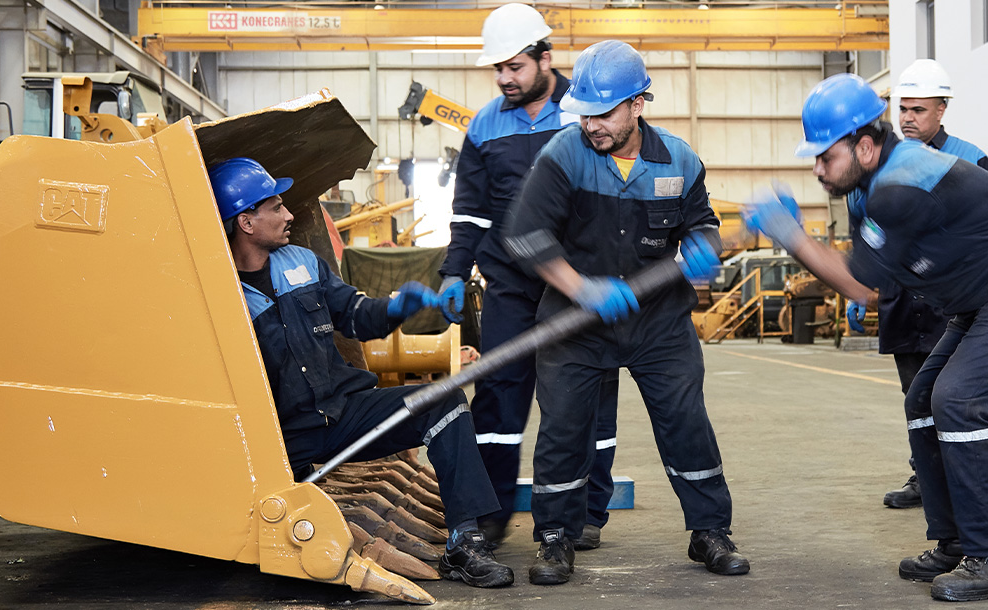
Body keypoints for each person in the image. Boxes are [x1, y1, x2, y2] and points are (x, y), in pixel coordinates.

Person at [745, 73, 988, 602]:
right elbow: (882, 274)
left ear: (864, 146)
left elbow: (864, 287)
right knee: (924, 399)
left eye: (824, 157)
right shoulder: (878, 184)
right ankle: (957, 543)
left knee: (963, 401)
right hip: (986, 291)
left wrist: (790, 235)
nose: (816, 170)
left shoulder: (898, 186)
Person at [502, 40, 748, 586]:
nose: (592, 126)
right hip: (575, 321)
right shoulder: (564, 155)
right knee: (565, 431)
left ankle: (709, 530)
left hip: (658, 322)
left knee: (686, 423)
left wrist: (704, 250)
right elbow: (523, 233)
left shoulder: (679, 160)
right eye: (585, 113)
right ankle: (555, 537)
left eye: (604, 113)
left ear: (638, 104)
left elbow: (700, 223)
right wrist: (580, 287)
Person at [209, 157, 514, 588]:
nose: (290, 214)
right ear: (246, 221)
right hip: (279, 436)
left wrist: (393, 308)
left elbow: (354, 316)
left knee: (442, 401)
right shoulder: (218, 290)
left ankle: (465, 542)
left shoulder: (301, 262)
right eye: (276, 207)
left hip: (342, 413)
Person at [438, 2, 620, 551]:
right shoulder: (486, 126)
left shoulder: (587, 113)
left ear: (545, 57)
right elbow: (469, 210)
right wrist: (453, 268)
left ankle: (587, 510)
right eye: (497, 69)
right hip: (511, 286)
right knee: (498, 395)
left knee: (587, 394)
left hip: (575, 282)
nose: (504, 79)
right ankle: (491, 511)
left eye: (514, 67)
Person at [869, 58, 988, 510]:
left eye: (918, 110)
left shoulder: (972, 159)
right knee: (915, 399)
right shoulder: (881, 165)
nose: (907, 118)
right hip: (903, 304)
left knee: (956, 397)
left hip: (954, 307)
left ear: (942, 109)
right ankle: (924, 479)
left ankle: (961, 482)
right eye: (903, 109)